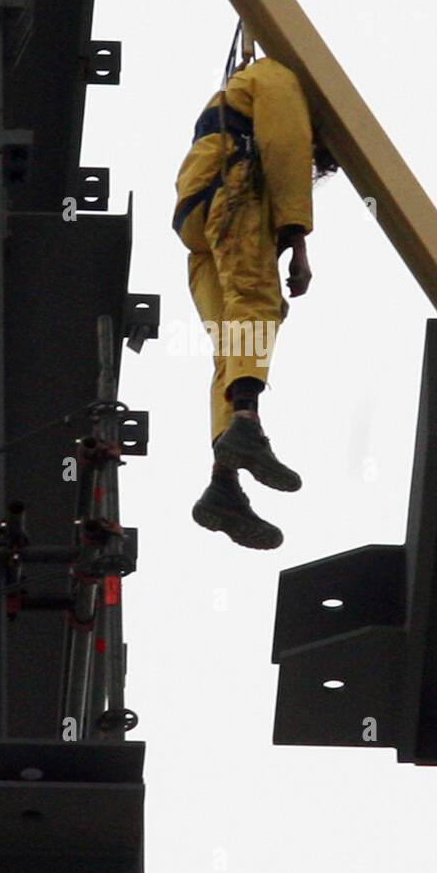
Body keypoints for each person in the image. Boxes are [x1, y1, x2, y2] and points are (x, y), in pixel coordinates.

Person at [173, 46, 338, 549]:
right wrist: (297, 242)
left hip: (199, 216)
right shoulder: (276, 76)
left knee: (234, 341)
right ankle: (245, 417)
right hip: (232, 191)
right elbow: (285, 149)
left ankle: (224, 483)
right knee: (256, 303)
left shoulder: (233, 100)